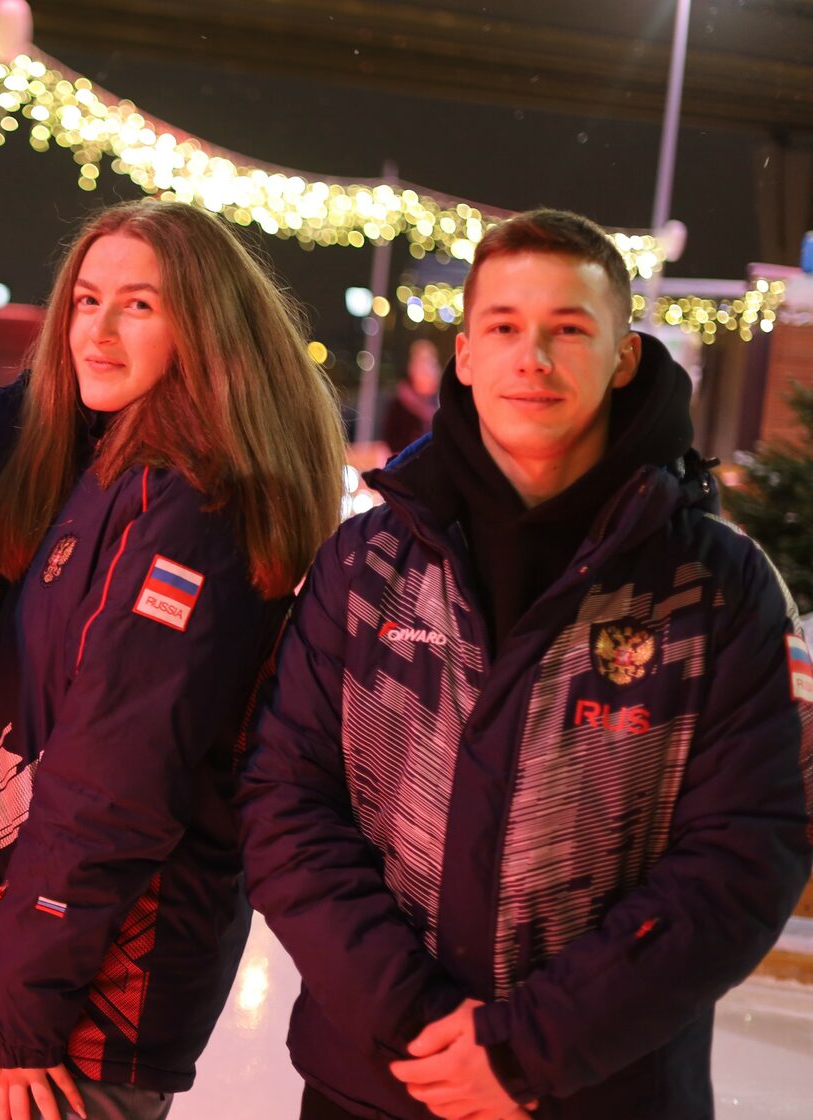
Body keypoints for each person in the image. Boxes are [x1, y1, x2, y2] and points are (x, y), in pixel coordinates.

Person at [238, 209, 813, 1119]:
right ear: (464, 353)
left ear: (624, 357)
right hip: (377, 1083)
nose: (532, 358)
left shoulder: (714, 586)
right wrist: (420, 1026)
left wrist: (526, 1050)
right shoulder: (367, 565)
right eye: (505, 327)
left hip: (606, 1092)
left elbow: (746, 852)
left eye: (569, 329)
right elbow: (284, 804)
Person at [0, 199, 346, 1120]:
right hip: (47, 968)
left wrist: (26, 1000)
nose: (99, 331)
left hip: (85, 996)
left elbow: (113, 783)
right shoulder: (117, 473)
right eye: (86, 300)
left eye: (139, 306)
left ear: (203, 328)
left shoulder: (189, 510)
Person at [380, 337, 441, 455]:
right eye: (420, 362)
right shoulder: (400, 403)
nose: (425, 368)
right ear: (411, 367)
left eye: (429, 362)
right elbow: (390, 441)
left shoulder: (441, 401)